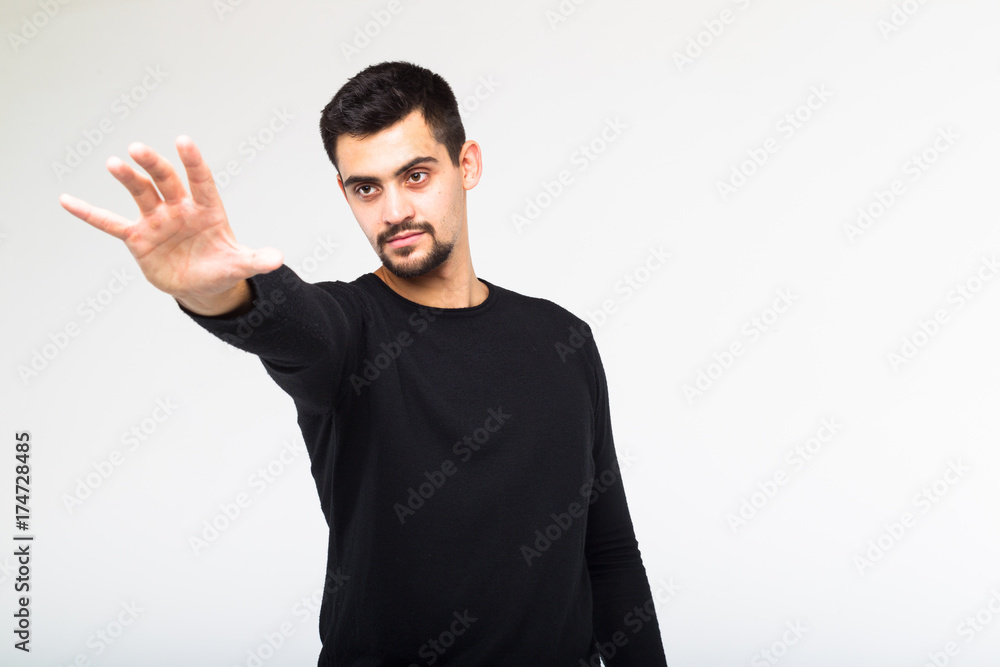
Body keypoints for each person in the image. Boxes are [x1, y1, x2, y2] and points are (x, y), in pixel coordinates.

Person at [60, 60, 668, 666]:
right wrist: (213, 290)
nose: (394, 210)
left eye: (417, 175)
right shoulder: (349, 332)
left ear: (467, 165)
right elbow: (289, 321)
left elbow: (608, 549)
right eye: (366, 187)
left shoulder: (562, 339)